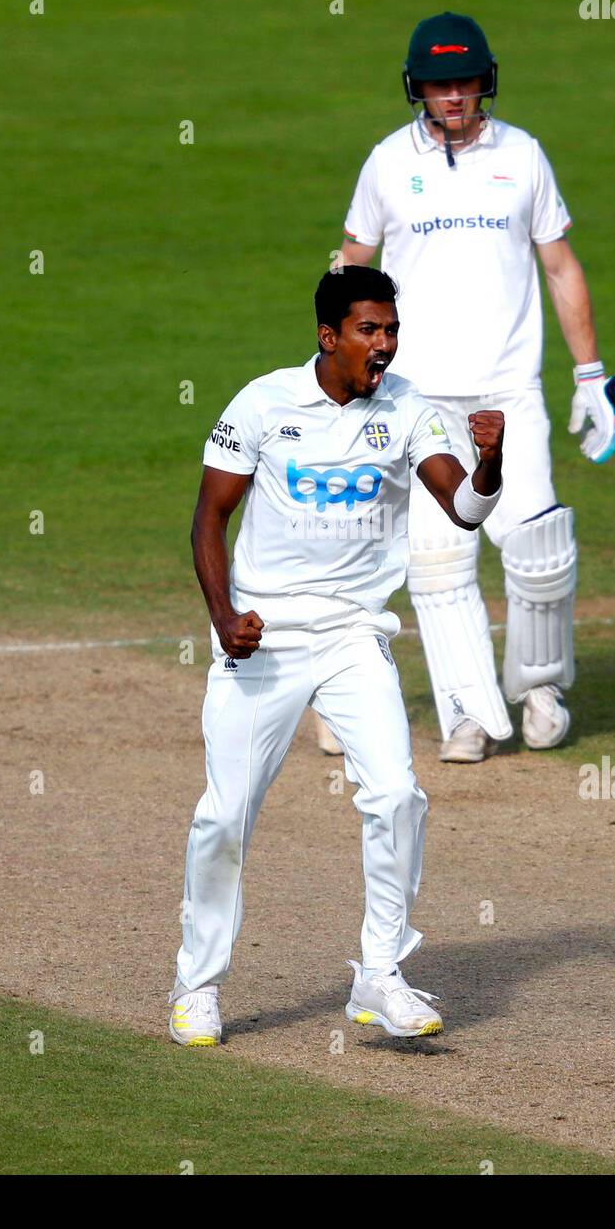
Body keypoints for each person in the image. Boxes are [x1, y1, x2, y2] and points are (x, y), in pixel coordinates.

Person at [171, 265, 506, 1045]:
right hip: (267, 635)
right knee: (225, 816)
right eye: (368, 330)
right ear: (329, 337)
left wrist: (491, 460)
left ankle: (379, 976)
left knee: (396, 796)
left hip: (356, 634)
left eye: (390, 329)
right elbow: (208, 520)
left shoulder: (408, 408)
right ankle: (197, 984)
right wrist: (223, 615)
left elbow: (463, 511)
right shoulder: (262, 404)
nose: (383, 344)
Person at [323, 11, 615, 765]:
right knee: (436, 558)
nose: (451, 96)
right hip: (418, 398)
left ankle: (543, 690)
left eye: (462, 82)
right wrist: (341, 369)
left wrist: (590, 376)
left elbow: (560, 266)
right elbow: (353, 271)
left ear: (484, 82)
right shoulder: (388, 163)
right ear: (415, 89)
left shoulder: (522, 156)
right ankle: (464, 715)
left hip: (507, 392)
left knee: (537, 545)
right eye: (436, 84)